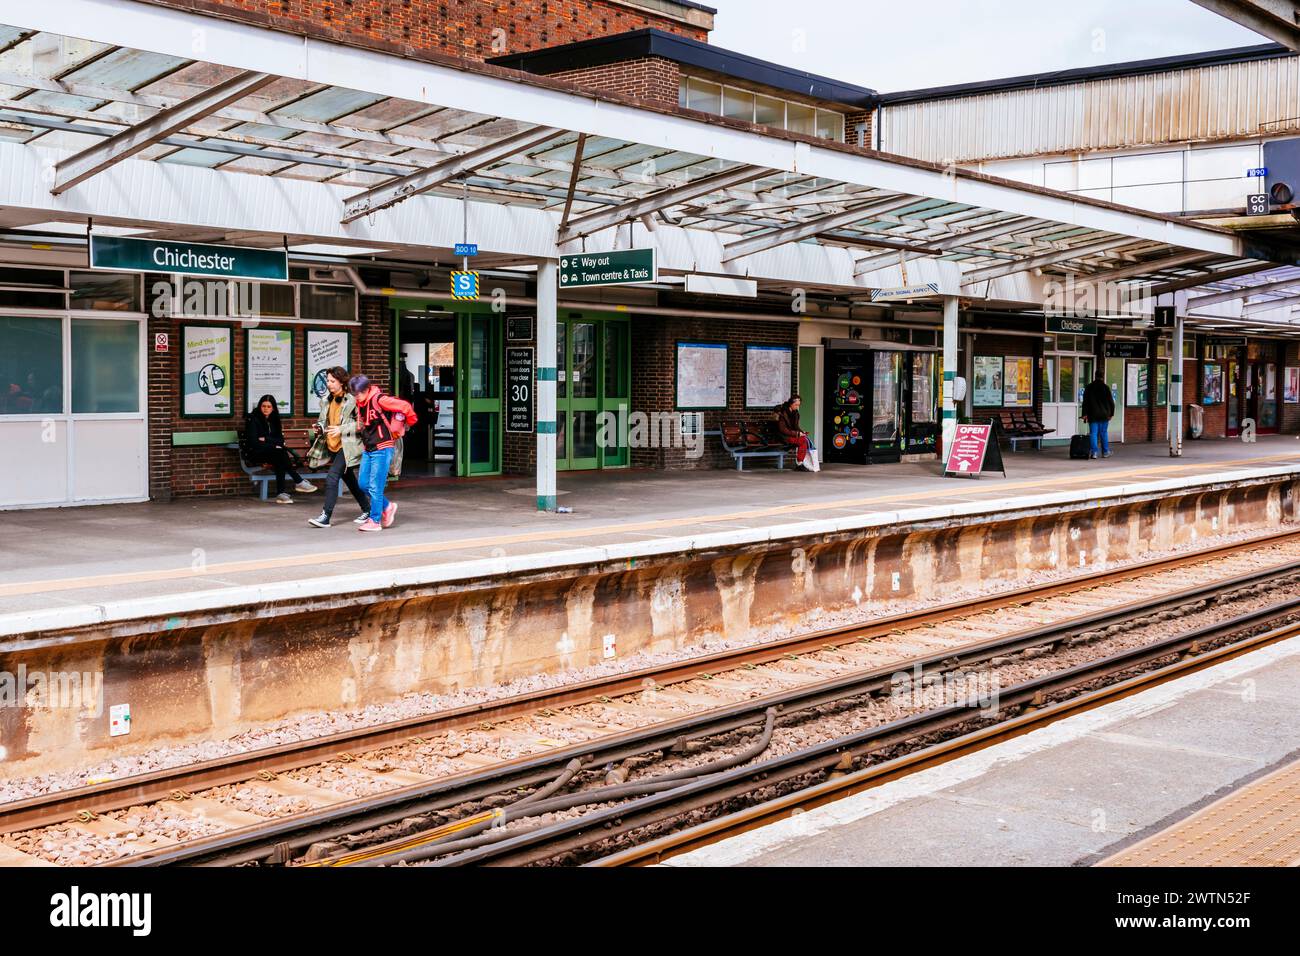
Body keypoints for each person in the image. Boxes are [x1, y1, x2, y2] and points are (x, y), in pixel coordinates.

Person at [351, 374, 418, 532]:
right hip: (369, 447)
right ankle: (387, 507)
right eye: (354, 394)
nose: (357, 397)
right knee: (363, 483)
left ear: (367, 390)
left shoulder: (380, 399)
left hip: (383, 446)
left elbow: (406, 407)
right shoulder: (360, 402)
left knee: (376, 486)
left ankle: (375, 520)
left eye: (359, 394)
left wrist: (408, 424)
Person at [307, 368, 371, 529]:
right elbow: (323, 421)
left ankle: (325, 516)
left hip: (347, 446)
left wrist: (341, 429)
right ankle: (367, 509)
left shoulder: (352, 400)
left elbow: (362, 423)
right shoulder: (325, 401)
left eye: (332, 381)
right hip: (332, 444)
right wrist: (319, 428)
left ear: (342, 382)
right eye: (327, 381)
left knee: (332, 477)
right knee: (349, 478)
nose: (328, 384)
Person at [242, 394, 317, 504]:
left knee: (279, 457)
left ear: (273, 408)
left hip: (272, 452)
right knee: (280, 454)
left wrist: (266, 439)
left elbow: (280, 441)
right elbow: (254, 442)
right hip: (256, 453)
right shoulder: (253, 419)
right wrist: (273, 444)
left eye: (269, 406)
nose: (266, 409)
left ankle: (282, 493)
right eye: (263, 406)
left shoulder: (274, 420)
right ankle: (297, 481)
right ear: (259, 406)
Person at [1081, 371, 1116, 460]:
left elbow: (1085, 402)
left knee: (1093, 433)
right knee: (1103, 433)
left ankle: (1094, 453)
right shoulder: (1105, 387)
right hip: (1104, 415)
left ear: (1095, 376)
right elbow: (1111, 402)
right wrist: (1111, 413)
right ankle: (1105, 452)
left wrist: (1084, 414)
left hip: (1092, 414)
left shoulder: (1089, 387)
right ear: (1103, 377)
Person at [775, 395, 814, 471]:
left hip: (791, 435)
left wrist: (802, 432)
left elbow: (796, 427)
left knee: (804, 439)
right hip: (782, 436)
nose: (797, 407)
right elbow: (782, 429)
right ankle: (799, 464)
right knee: (803, 440)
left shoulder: (796, 413)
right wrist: (797, 434)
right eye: (796, 405)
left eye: (798, 405)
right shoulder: (782, 413)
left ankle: (800, 463)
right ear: (791, 404)